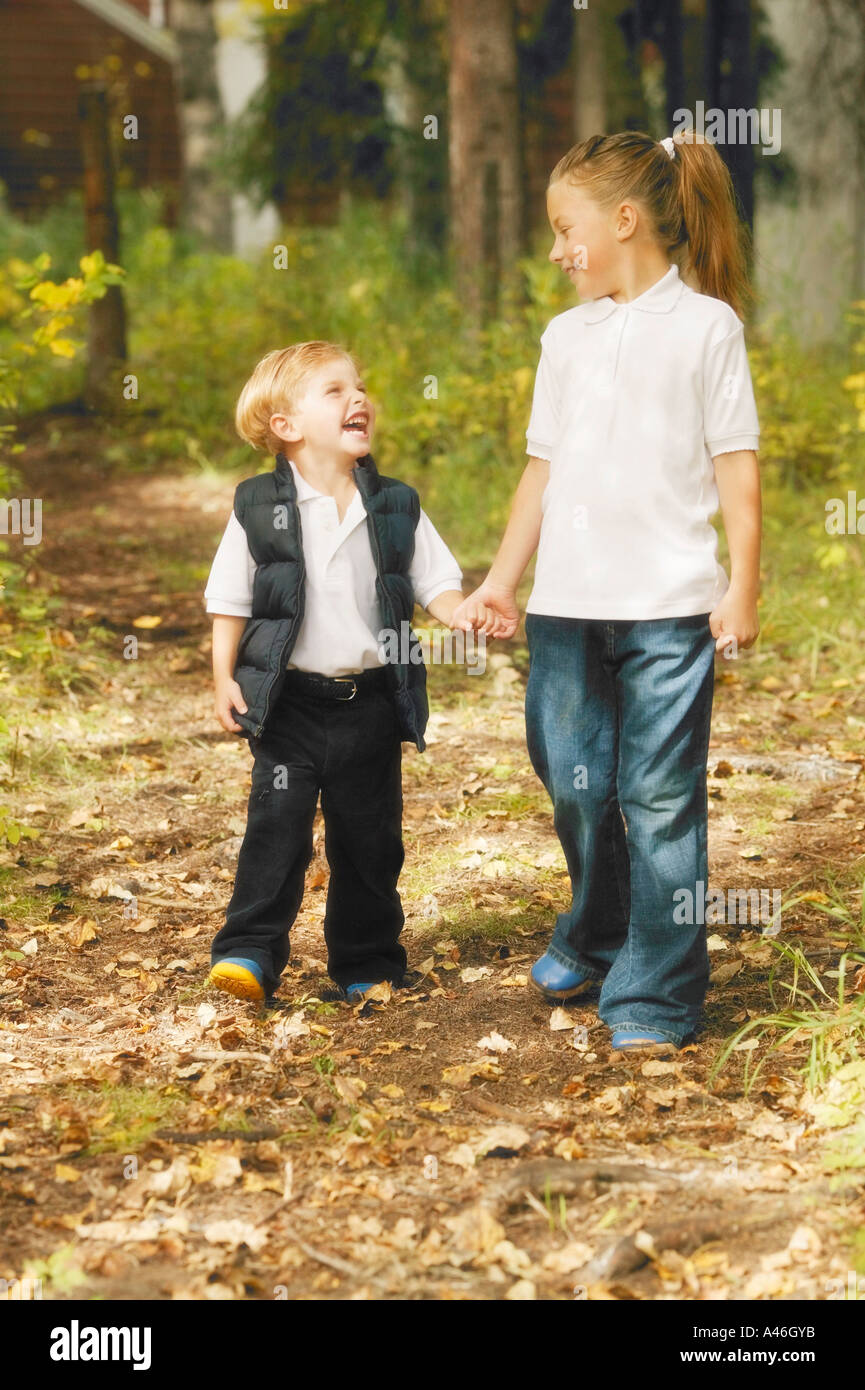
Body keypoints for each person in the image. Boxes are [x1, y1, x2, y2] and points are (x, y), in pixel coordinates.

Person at [454, 130, 762, 1054]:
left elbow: (736, 468)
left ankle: (658, 990)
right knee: (572, 781)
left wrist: (742, 585)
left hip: (670, 606)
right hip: (565, 608)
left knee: (658, 796)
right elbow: (540, 470)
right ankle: (596, 931)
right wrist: (502, 582)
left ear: (623, 221)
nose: (554, 250)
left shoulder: (708, 327)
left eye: (564, 228)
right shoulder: (565, 336)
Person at [204, 341, 470, 1004]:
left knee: (369, 841)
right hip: (290, 703)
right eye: (333, 390)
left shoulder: (394, 505)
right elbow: (228, 601)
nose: (357, 398)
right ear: (286, 426)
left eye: (359, 387)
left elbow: (433, 581)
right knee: (277, 830)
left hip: (371, 703)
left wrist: (463, 614)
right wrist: (222, 676)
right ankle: (248, 953)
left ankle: (366, 960)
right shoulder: (257, 505)